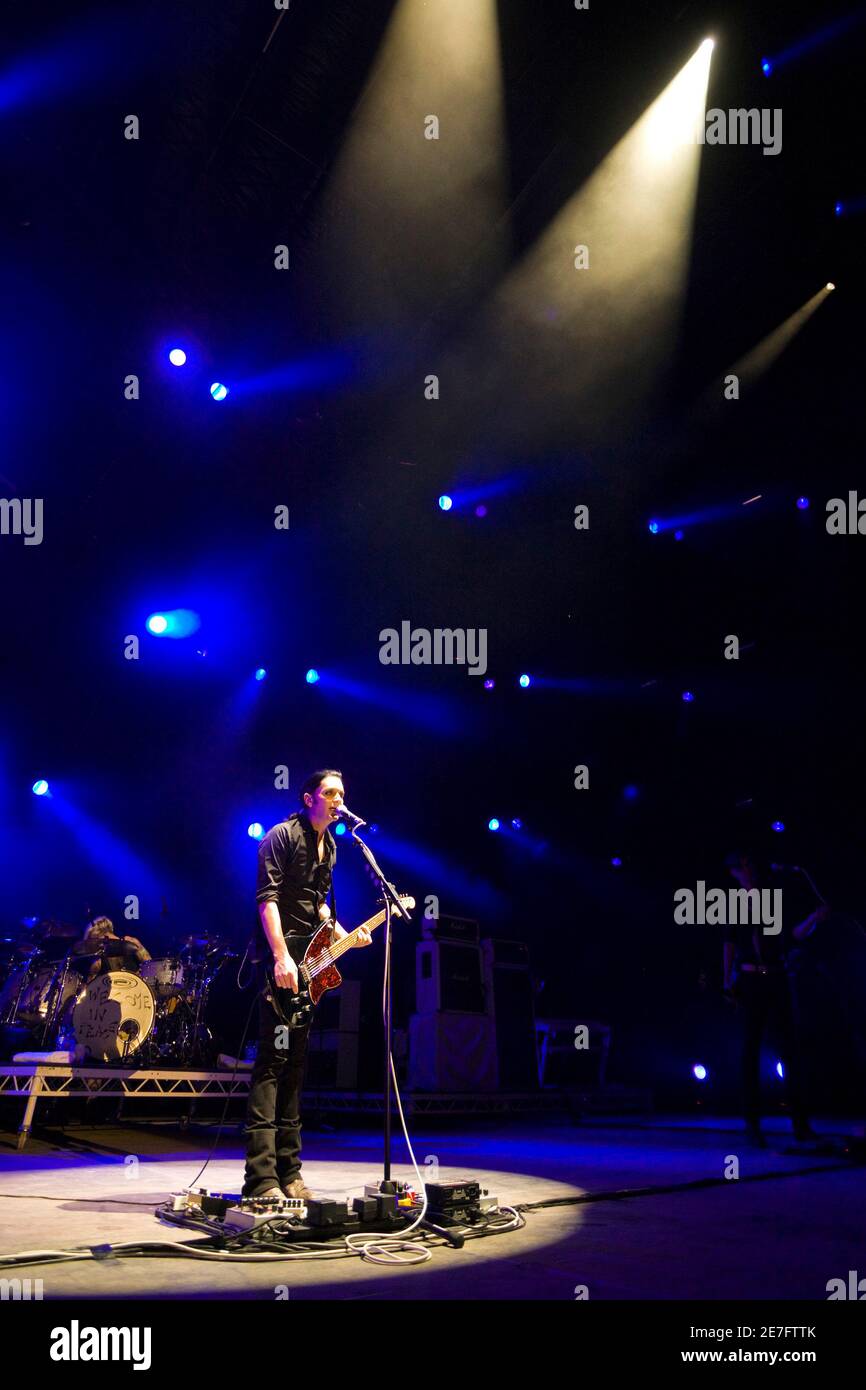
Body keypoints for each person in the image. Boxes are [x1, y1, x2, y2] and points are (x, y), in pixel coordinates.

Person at [242, 769, 372, 1202]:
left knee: (296, 1070)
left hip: (309, 966)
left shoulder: (332, 846)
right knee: (272, 1066)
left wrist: (345, 934)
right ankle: (261, 1180)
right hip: (281, 962)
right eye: (331, 793)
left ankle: (290, 1174)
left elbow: (317, 905)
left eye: (342, 793)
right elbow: (268, 899)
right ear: (309, 798)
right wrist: (281, 956)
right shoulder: (281, 836)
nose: (338, 799)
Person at [722, 851, 829, 1147]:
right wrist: (727, 980)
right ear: (734, 872)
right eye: (742, 865)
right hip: (751, 979)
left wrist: (814, 918)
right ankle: (753, 1126)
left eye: (749, 863)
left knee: (791, 1051)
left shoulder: (772, 899)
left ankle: (801, 1125)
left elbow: (793, 935)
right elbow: (729, 943)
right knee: (750, 1052)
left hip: (777, 977)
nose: (748, 867)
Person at [71, 916, 151, 982]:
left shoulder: (131, 942)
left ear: (95, 939)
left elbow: (150, 966)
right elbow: (151, 967)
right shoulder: (98, 960)